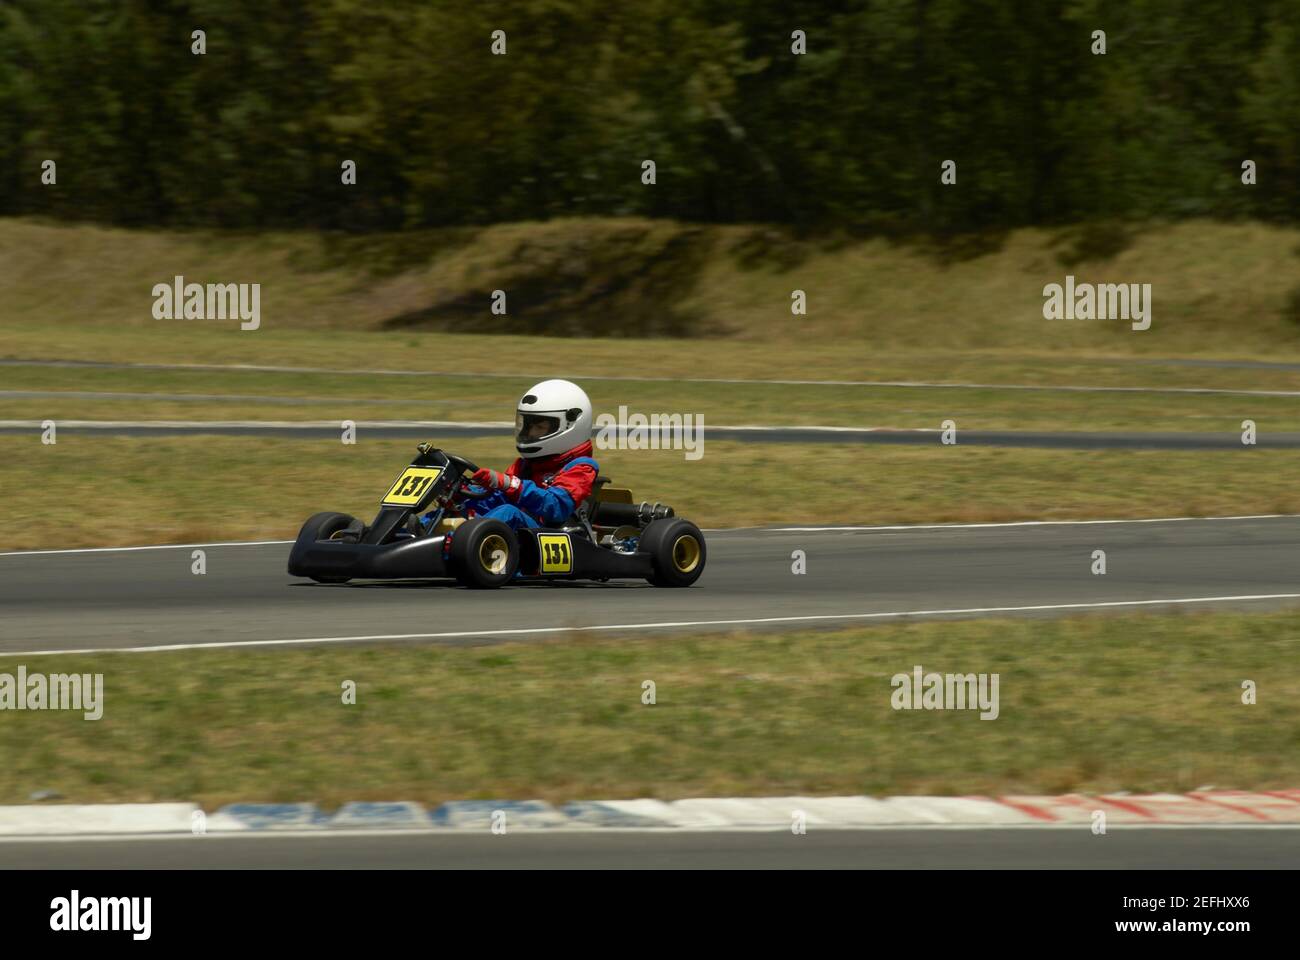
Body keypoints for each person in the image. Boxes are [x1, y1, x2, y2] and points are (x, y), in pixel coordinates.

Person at [455, 379, 599, 530]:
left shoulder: (581, 467)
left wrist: (510, 484)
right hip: (522, 534)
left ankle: (454, 547)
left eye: (539, 427)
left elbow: (556, 507)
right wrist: (466, 493)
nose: (530, 433)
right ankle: (430, 536)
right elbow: (500, 497)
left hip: (549, 534)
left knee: (508, 512)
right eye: (528, 426)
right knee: (459, 508)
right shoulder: (526, 466)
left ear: (571, 425)